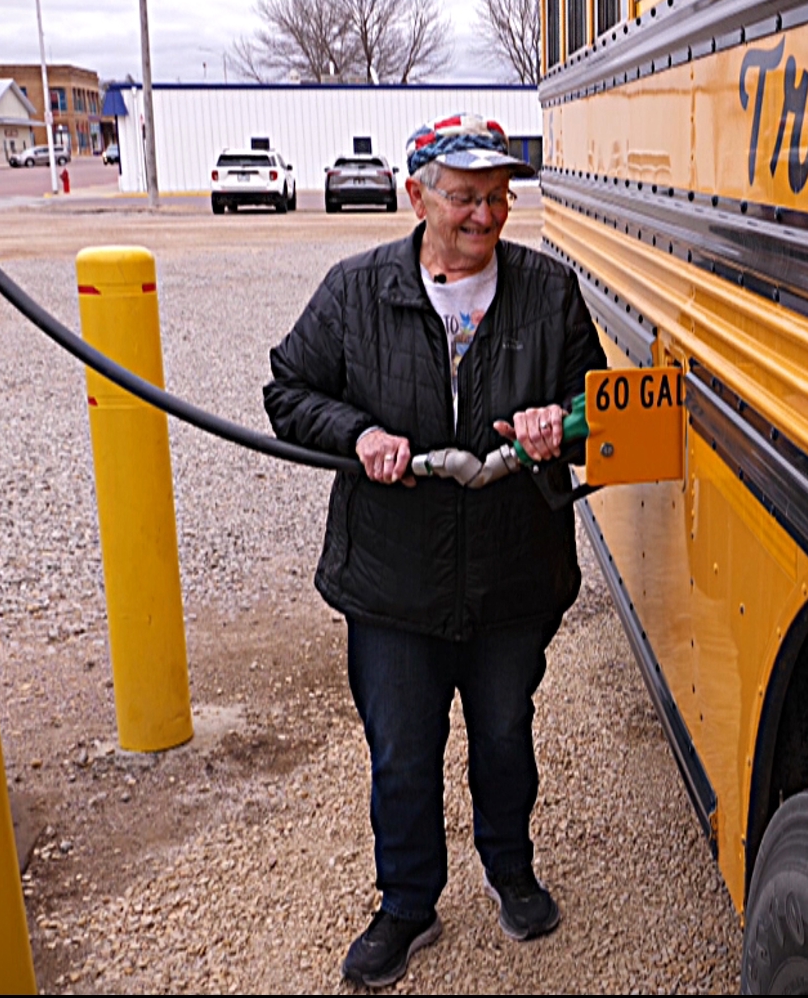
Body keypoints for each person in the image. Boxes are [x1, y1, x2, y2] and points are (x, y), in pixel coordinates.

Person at [263, 113, 607, 988]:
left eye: (497, 197)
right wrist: (359, 432)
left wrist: (555, 425)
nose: (484, 216)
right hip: (393, 582)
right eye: (463, 197)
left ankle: (511, 870)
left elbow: (601, 407)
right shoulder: (356, 289)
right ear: (418, 196)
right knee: (403, 753)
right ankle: (408, 903)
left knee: (503, 734)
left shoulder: (547, 291)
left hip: (511, 573)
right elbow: (289, 389)